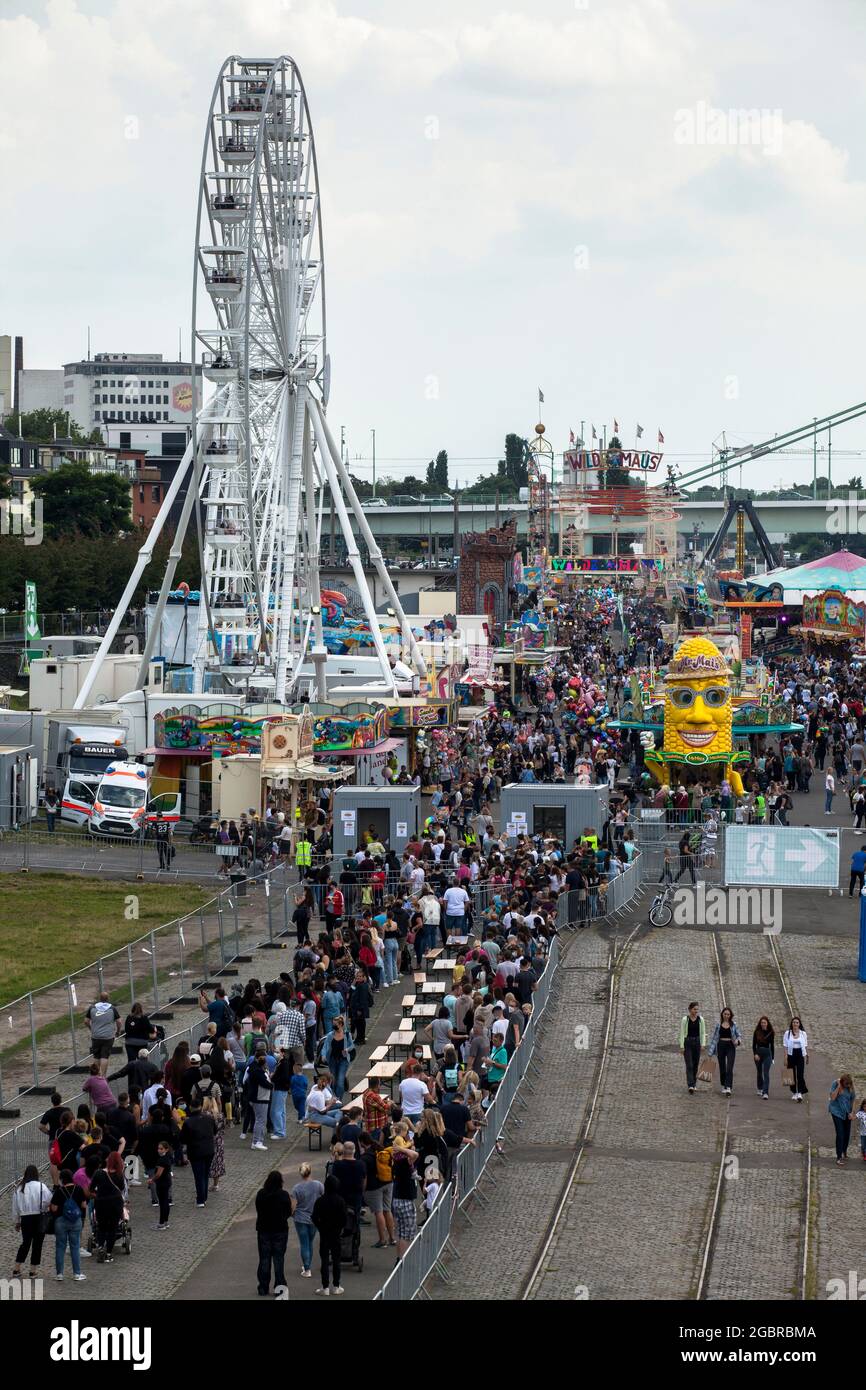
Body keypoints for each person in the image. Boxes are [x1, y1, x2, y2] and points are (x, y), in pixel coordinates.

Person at [12, 1165, 52, 1280]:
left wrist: (17, 1222)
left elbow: (15, 1208)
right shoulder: (41, 1186)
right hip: (39, 1217)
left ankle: (16, 1268)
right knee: (37, 1245)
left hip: (25, 1219)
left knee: (25, 1244)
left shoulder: (19, 1188)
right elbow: (48, 1200)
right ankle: (32, 1271)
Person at [255, 1170, 292, 1296]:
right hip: (280, 1230)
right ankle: (280, 1287)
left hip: (264, 1230)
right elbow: (288, 1212)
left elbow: (258, 1209)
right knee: (278, 1259)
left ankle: (263, 1287)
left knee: (264, 1259)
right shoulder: (283, 1195)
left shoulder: (261, 1194)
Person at [49, 1169, 88, 1281]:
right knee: (75, 1247)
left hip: (61, 1222)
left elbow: (54, 1208)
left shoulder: (59, 1191)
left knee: (60, 1247)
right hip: (75, 1221)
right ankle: (77, 1273)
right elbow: (84, 1205)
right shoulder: (79, 1189)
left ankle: (59, 1274)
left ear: (62, 1179)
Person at [311, 1175, 347, 1296]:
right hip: (336, 1233)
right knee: (336, 1260)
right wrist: (340, 1228)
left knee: (324, 1260)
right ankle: (336, 1286)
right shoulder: (340, 1201)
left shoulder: (320, 1201)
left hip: (324, 1233)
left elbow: (314, 1217)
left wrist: (320, 1227)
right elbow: (344, 1219)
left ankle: (325, 1286)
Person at [181, 1100, 217, 1206]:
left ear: (191, 1108)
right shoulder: (209, 1119)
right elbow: (215, 1131)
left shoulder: (188, 1122)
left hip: (195, 1151)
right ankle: (204, 1197)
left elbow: (182, 1138)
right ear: (201, 1107)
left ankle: (200, 1199)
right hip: (209, 1150)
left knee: (198, 1176)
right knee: (205, 1174)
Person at [90, 1153, 125, 1262]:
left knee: (101, 1227)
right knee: (112, 1228)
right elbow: (122, 1188)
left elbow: (91, 1188)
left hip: (101, 1203)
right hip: (115, 1204)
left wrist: (98, 1194)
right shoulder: (120, 1175)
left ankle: (100, 1247)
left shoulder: (99, 1173)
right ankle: (109, 1253)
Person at [291, 1163, 323, 1278]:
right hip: (314, 1218)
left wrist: (292, 1214)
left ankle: (307, 1268)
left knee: (304, 1243)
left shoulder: (296, 1188)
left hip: (300, 1218)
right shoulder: (318, 1185)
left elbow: (293, 1206)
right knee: (310, 1242)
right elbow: (323, 1198)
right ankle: (307, 1265)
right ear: (310, 1172)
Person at [707, 1007, 742, 1095]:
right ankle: (723, 1085)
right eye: (725, 1014)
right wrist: (710, 1052)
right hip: (721, 1046)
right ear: (722, 1014)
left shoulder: (734, 1024)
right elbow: (714, 1039)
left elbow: (739, 1035)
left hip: (730, 1046)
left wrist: (738, 1041)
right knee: (722, 1067)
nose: (726, 1016)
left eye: (728, 1014)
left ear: (730, 1016)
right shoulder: (718, 1025)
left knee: (729, 1067)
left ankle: (729, 1087)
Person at [85, 992, 121, 1074]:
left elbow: (86, 1021)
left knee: (96, 1056)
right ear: (108, 999)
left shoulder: (92, 1008)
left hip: (96, 1036)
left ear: (99, 998)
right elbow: (119, 1022)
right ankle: (103, 1076)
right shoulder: (112, 1008)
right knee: (105, 1056)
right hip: (108, 1036)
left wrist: (91, 1028)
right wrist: (118, 1031)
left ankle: (96, 1075)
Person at [678, 1002, 706, 1094]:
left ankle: (693, 1083)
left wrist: (703, 1044)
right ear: (690, 1009)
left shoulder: (700, 1020)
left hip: (697, 1042)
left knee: (695, 1063)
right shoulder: (685, 1019)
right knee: (689, 1064)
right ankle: (690, 1085)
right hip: (688, 1042)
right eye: (694, 1009)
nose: (696, 1011)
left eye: (697, 1009)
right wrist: (682, 1046)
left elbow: (702, 1032)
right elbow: (682, 1033)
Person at [828, 1073, 856, 1165]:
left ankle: (844, 1150)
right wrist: (839, 1086)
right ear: (842, 1082)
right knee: (840, 1134)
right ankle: (839, 1156)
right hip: (836, 1111)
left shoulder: (851, 1087)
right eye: (845, 1084)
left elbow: (853, 1100)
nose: (847, 1086)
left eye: (849, 1084)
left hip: (847, 1112)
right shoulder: (835, 1084)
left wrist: (852, 1112)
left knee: (847, 1134)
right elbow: (832, 1098)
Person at [782, 1017, 809, 1101]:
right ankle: (794, 1092)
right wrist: (785, 1057)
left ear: (799, 1024)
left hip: (800, 1054)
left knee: (800, 1074)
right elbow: (785, 1046)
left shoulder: (803, 1033)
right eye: (794, 1022)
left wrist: (807, 1056)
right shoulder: (788, 1033)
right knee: (791, 1074)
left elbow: (805, 1045)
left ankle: (800, 1092)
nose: (795, 1024)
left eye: (797, 1022)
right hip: (791, 1054)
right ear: (791, 1024)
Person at [148, 1141, 173, 1229]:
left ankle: (161, 1223)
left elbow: (158, 1174)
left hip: (162, 1183)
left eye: (161, 1149)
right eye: (158, 1148)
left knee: (163, 1203)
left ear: (166, 1149)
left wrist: (152, 1179)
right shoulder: (167, 1157)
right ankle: (165, 1222)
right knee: (165, 1202)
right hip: (167, 1181)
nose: (159, 1150)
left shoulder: (162, 1160)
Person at [752, 1016, 775, 1099]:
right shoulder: (757, 1032)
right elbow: (753, 1045)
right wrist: (755, 1054)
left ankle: (766, 1092)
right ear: (760, 1023)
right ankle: (760, 1087)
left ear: (767, 1023)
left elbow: (772, 1046)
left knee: (766, 1072)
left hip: (767, 1053)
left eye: (764, 1022)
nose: (763, 1024)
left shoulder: (771, 1032)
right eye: (762, 1023)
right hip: (758, 1053)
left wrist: (773, 1057)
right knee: (759, 1071)